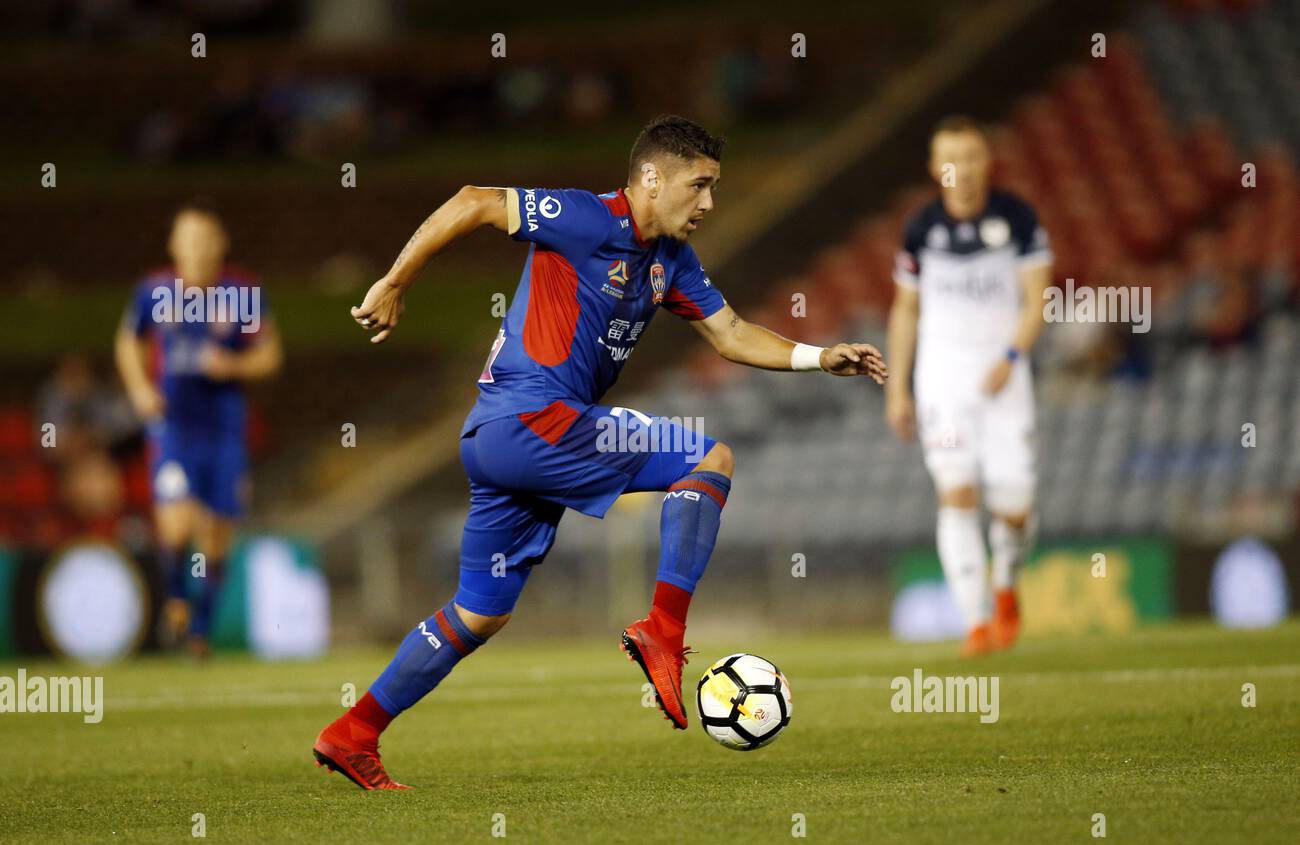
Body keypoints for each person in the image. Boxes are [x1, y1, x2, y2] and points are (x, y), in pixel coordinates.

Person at [314, 114, 887, 789]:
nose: (708, 203)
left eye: (714, 189)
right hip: (534, 418)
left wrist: (822, 357)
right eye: (698, 185)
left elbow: (731, 334)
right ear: (651, 178)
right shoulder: (585, 218)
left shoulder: (671, 260)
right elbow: (474, 200)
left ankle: (354, 732)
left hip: (502, 439)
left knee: (482, 610)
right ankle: (662, 633)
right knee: (710, 458)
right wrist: (396, 280)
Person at [885, 116, 1052, 658]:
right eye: (951, 158)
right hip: (942, 382)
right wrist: (898, 389)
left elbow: (1037, 300)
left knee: (1015, 506)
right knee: (957, 493)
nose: (963, 168)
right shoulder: (920, 229)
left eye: (973, 155)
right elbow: (905, 309)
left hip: (1005, 377)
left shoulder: (1018, 218)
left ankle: (1006, 582)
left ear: (987, 162)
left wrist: (1011, 355)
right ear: (937, 169)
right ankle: (976, 622)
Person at [115, 202, 283, 658]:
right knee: (176, 521)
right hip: (173, 427)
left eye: (206, 238)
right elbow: (128, 340)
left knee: (216, 532)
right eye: (189, 238)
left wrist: (233, 364)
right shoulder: (154, 291)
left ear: (221, 244)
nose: (198, 247)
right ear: (174, 245)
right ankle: (175, 600)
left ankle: (199, 631)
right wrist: (139, 390)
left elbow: (269, 356)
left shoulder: (242, 292)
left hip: (225, 429)